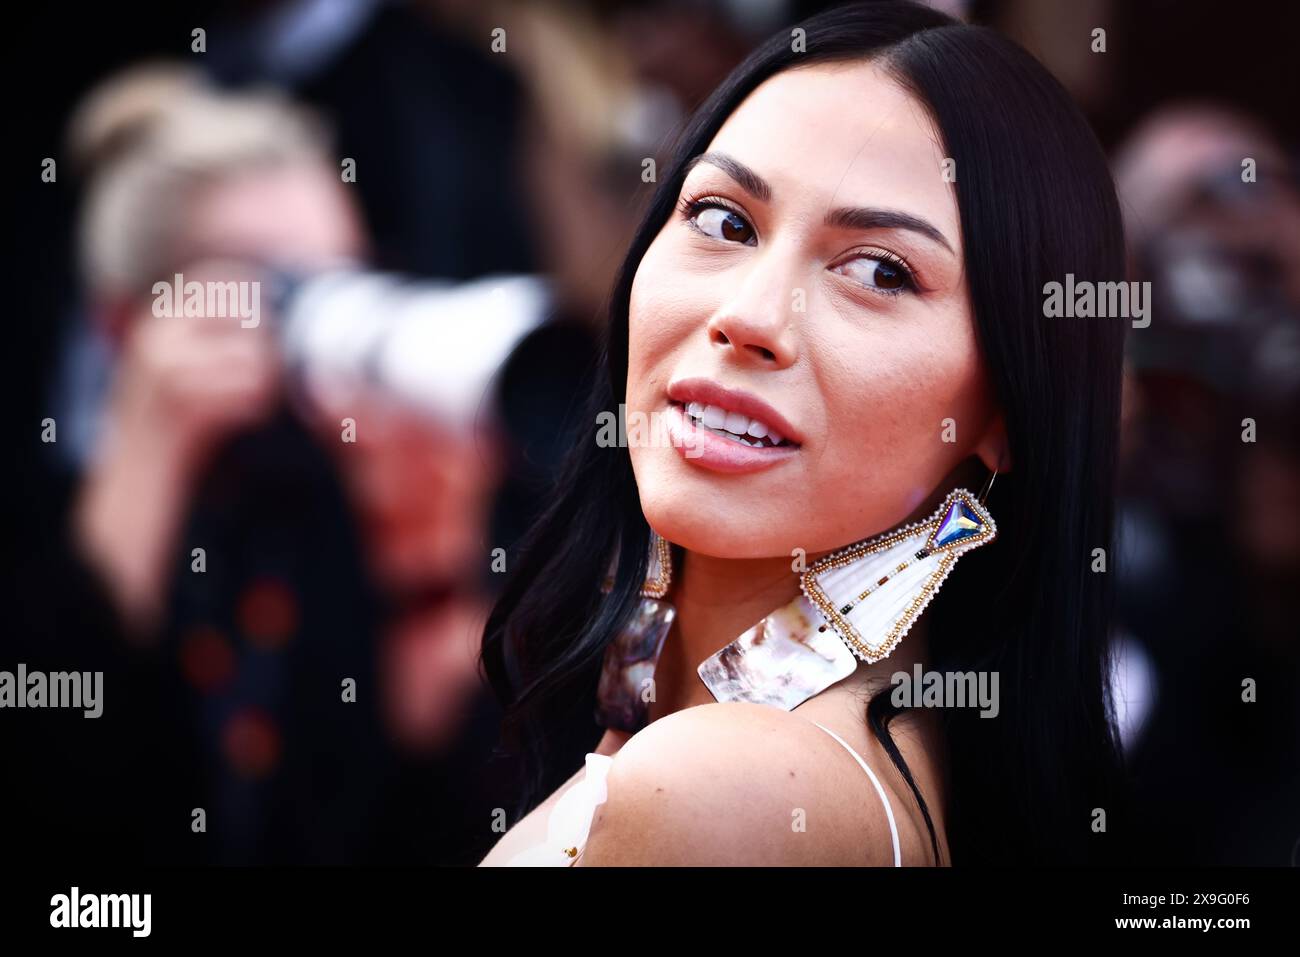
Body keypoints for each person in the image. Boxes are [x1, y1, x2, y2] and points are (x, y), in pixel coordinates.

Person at [478, 0, 1130, 866]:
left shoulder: (733, 788)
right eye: (723, 220)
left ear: (1009, 407)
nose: (749, 316)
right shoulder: (809, 756)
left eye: (879, 271)